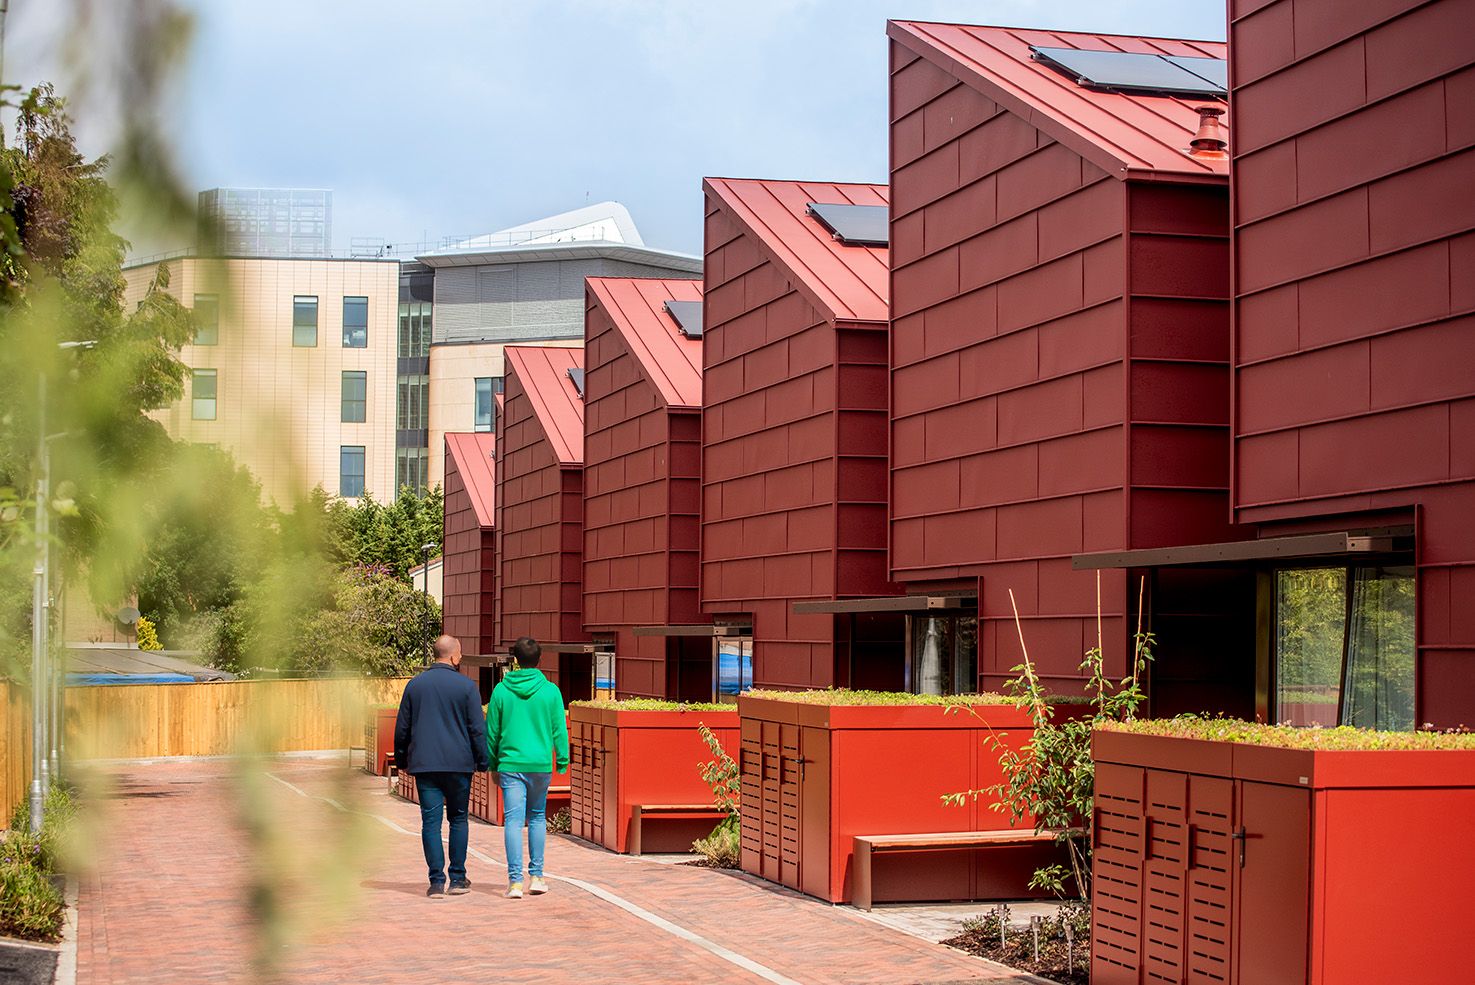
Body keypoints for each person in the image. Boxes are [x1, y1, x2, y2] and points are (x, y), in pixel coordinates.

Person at [393, 635, 489, 898]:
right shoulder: (466, 687)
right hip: (459, 764)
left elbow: (402, 728)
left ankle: (436, 881)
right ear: (454, 656)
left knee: (430, 823)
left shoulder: (415, 685)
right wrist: (483, 761)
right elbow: (477, 729)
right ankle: (457, 878)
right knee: (458, 819)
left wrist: (401, 760)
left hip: (426, 765)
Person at [487, 636, 569, 899]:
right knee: (536, 817)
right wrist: (562, 760)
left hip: (510, 763)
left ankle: (515, 882)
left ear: (515, 660)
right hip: (540, 764)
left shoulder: (501, 691)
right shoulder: (551, 691)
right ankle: (537, 876)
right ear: (540, 660)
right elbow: (559, 729)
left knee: (512, 820)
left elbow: (492, 732)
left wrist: (492, 764)